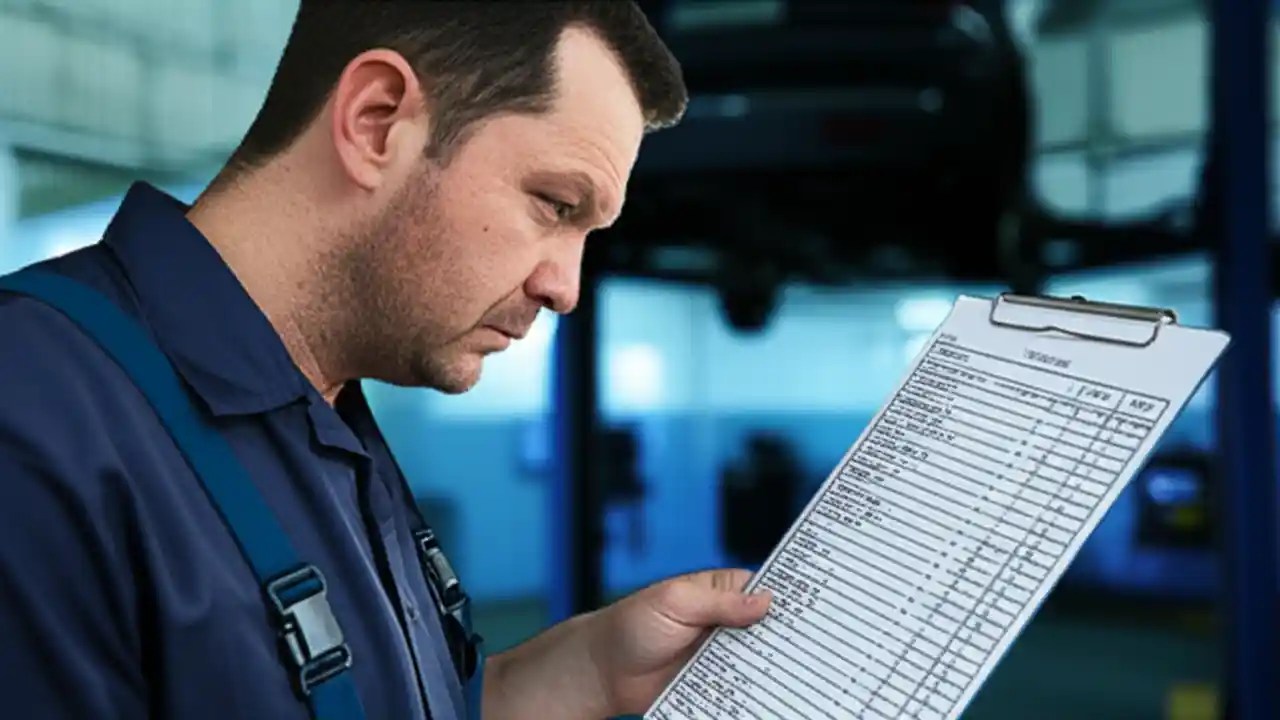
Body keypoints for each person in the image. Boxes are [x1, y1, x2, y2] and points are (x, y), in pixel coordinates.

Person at [0, 2, 772, 719]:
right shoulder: (32, 415)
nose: (564, 287)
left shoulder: (325, 411)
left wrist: (595, 669)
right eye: (555, 204)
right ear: (376, 122)